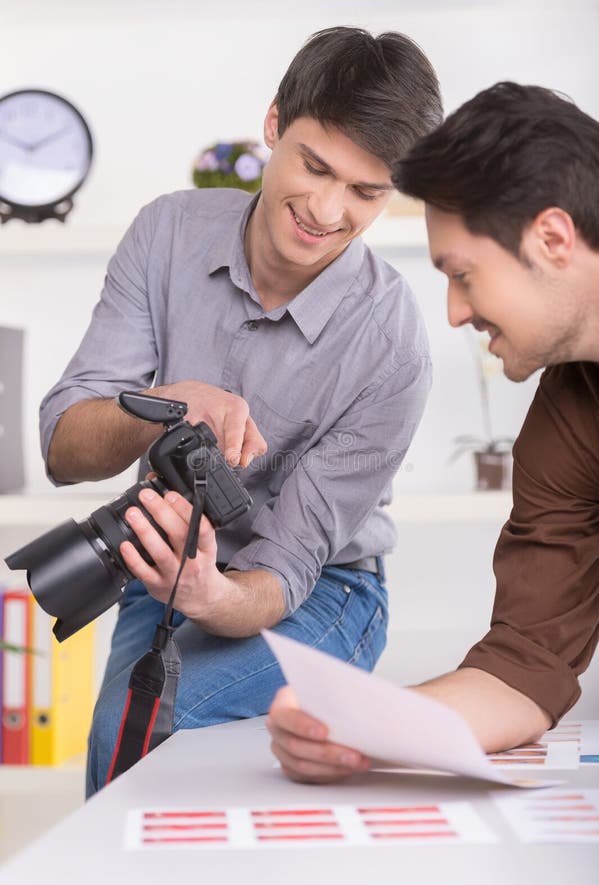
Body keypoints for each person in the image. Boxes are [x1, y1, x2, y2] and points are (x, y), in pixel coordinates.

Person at [39, 27, 442, 795]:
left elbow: (286, 567)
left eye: (365, 192)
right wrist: (165, 406)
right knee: (118, 747)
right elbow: (63, 446)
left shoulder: (392, 345)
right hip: (165, 561)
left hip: (323, 589)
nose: (325, 210)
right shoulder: (168, 234)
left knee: (146, 720)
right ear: (273, 124)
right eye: (314, 166)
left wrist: (209, 595)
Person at [267, 81, 599, 783]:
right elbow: (525, 664)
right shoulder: (568, 423)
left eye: (463, 275)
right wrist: (359, 726)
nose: (453, 313)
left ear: (552, 239)